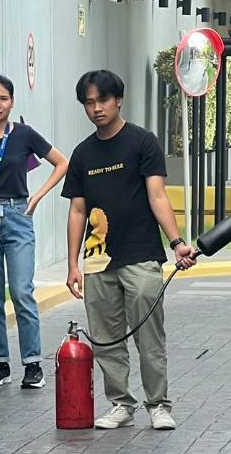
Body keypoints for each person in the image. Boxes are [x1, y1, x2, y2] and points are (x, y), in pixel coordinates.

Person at [62, 69, 195, 431]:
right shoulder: (82, 154)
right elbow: (77, 211)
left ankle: (159, 404)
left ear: (117, 100)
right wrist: (73, 265)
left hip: (141, 254)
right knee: (105, 336)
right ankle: (120, 403)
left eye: (102, 100)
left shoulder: (142, 142)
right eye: (89, 103)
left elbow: (157, 196)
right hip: (98, 258)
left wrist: (177, 242)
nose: (96, 109)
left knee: (149, 333)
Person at [0, 75, 69, 391]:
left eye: (3, 98)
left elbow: (61, 163)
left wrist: (38, 196)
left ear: (12, 102)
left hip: (17, 215)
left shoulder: (24, 134)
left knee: (22, 291)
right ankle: (0, 364)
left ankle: (32, 364)